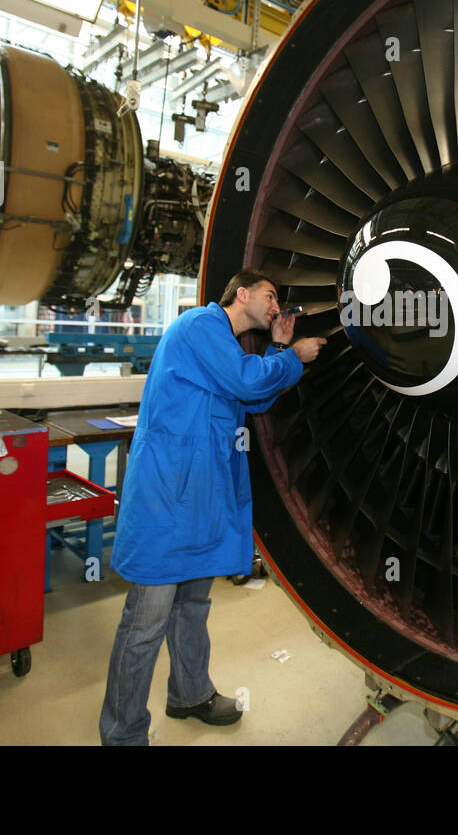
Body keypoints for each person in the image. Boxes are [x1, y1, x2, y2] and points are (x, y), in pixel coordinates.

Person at [99, 270, 326, 745]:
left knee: (192, 606)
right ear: (241, 293)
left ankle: (189, 693)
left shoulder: (229, 346)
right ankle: (122, 732)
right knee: (145, 622)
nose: (275, 306)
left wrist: (280, 352)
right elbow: (247, 382)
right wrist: (295, 356)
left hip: (199, 500)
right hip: (167, 500)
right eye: (270, 296)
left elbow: (257, 398)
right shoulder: (201, 326)